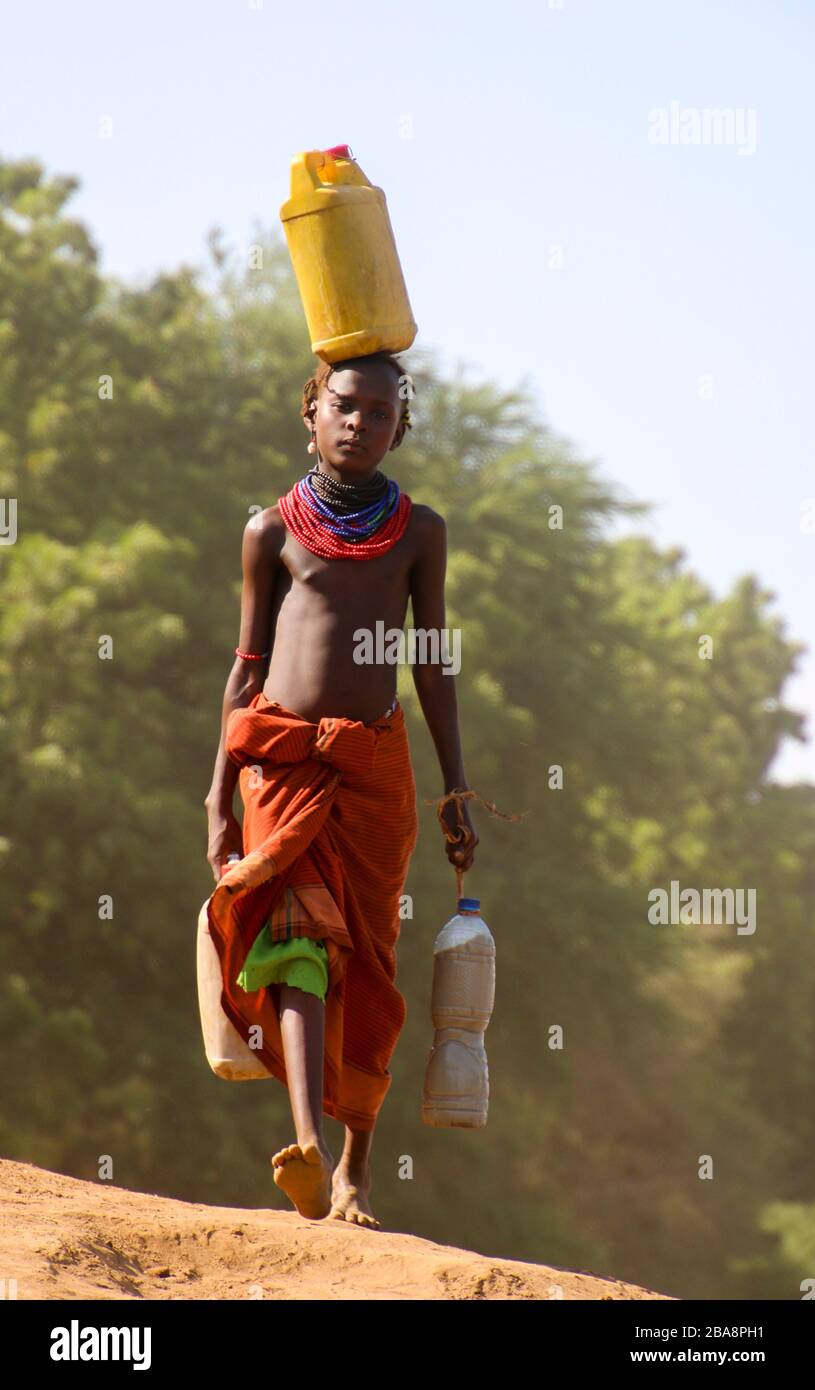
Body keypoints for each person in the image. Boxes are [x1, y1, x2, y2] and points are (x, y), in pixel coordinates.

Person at [204, 350, 478, 1229]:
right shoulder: (269, 531)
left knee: (367, 963)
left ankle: (357, 1169)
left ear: (400, 427)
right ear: (310, 412)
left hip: (371, 772)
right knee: (295, 942)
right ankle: (307, 1147)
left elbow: (431, 668)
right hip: (281, 766)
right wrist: (216, 798)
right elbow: (246, 669)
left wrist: (456, 789)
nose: (359, 423)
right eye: (344, 406)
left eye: (379, 413)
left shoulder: (419, 533)